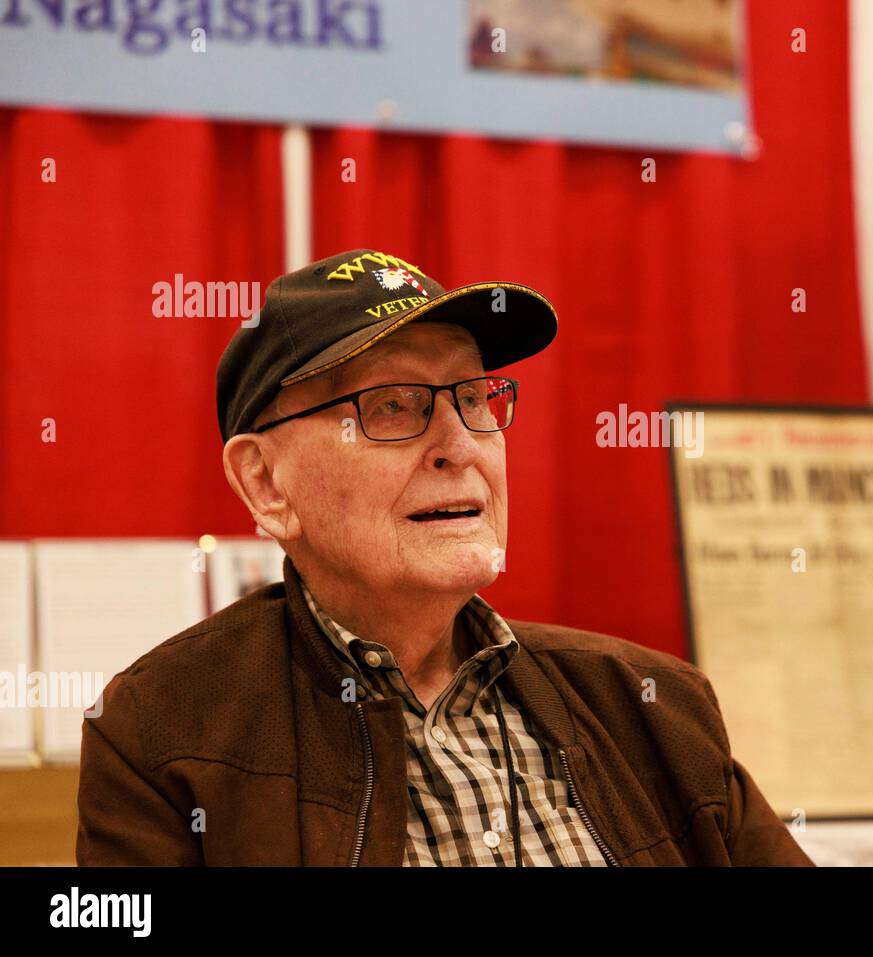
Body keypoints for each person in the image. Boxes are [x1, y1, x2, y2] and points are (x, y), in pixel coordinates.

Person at [75, 248, 813, 867]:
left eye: (474, 397)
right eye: (391, 406)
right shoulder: (161, 734)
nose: (460, 446)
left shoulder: (654, 704)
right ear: (266, 483)